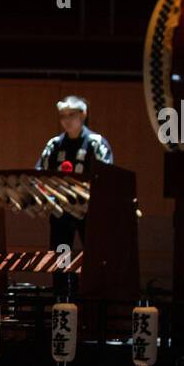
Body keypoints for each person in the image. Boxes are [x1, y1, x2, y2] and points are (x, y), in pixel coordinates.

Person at [35, 95, 113, 251]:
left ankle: (92, 276)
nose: (66, 120)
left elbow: (106, 176)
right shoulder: (55, 144)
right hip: (60, 210)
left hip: (89, 211)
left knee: (94, 254)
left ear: (83, 114)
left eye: (72, 115)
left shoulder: (96, 143)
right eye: (63, 116)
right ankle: (63, 276)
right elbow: (40, 174)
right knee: (61, 257)